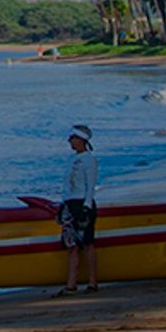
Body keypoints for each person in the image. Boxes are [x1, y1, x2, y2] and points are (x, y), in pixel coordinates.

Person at [56, 125, 101, 296]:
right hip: (70, 204)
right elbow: (67, 186)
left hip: (82, 203)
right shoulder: (70, 160)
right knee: (71, 246)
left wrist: (86, 206)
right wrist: (63, 204)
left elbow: (91, 186)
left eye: (73, 138)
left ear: (81, 140)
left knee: (88, 244)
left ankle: (92, 282)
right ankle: (71, 284)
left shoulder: (89, 160)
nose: (70, 141)